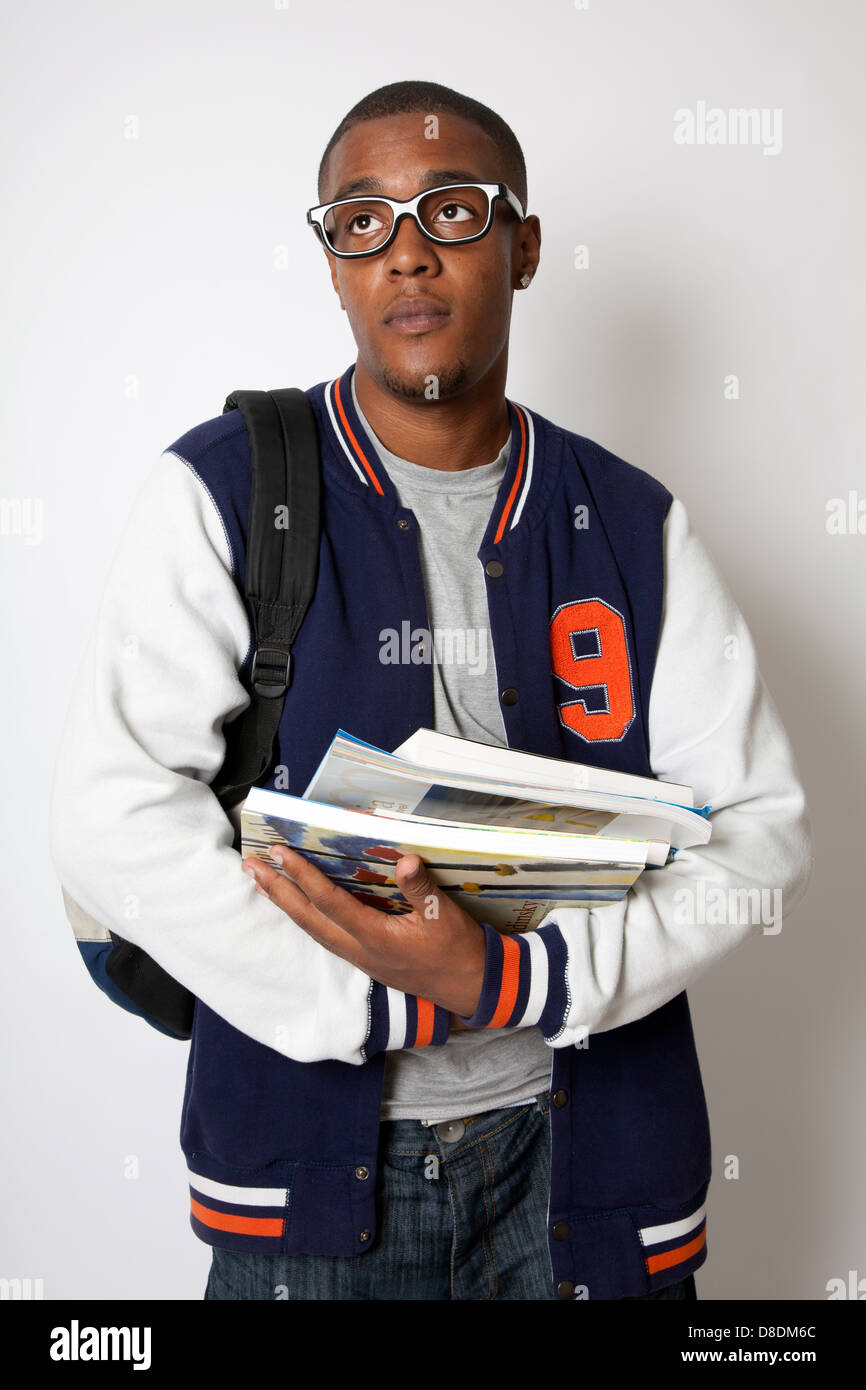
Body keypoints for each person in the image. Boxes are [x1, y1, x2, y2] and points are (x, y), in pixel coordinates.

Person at [49, 80, 812, 1301]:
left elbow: (759, 832)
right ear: (335, 265)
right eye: (361, 221)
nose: (405, 250)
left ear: (524, 246)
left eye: (451, 210)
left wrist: (509, 984)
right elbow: (111, 815)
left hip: (590, 1166)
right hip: (304, 1187)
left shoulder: (632, 522)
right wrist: (388, 999)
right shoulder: (227, 488)